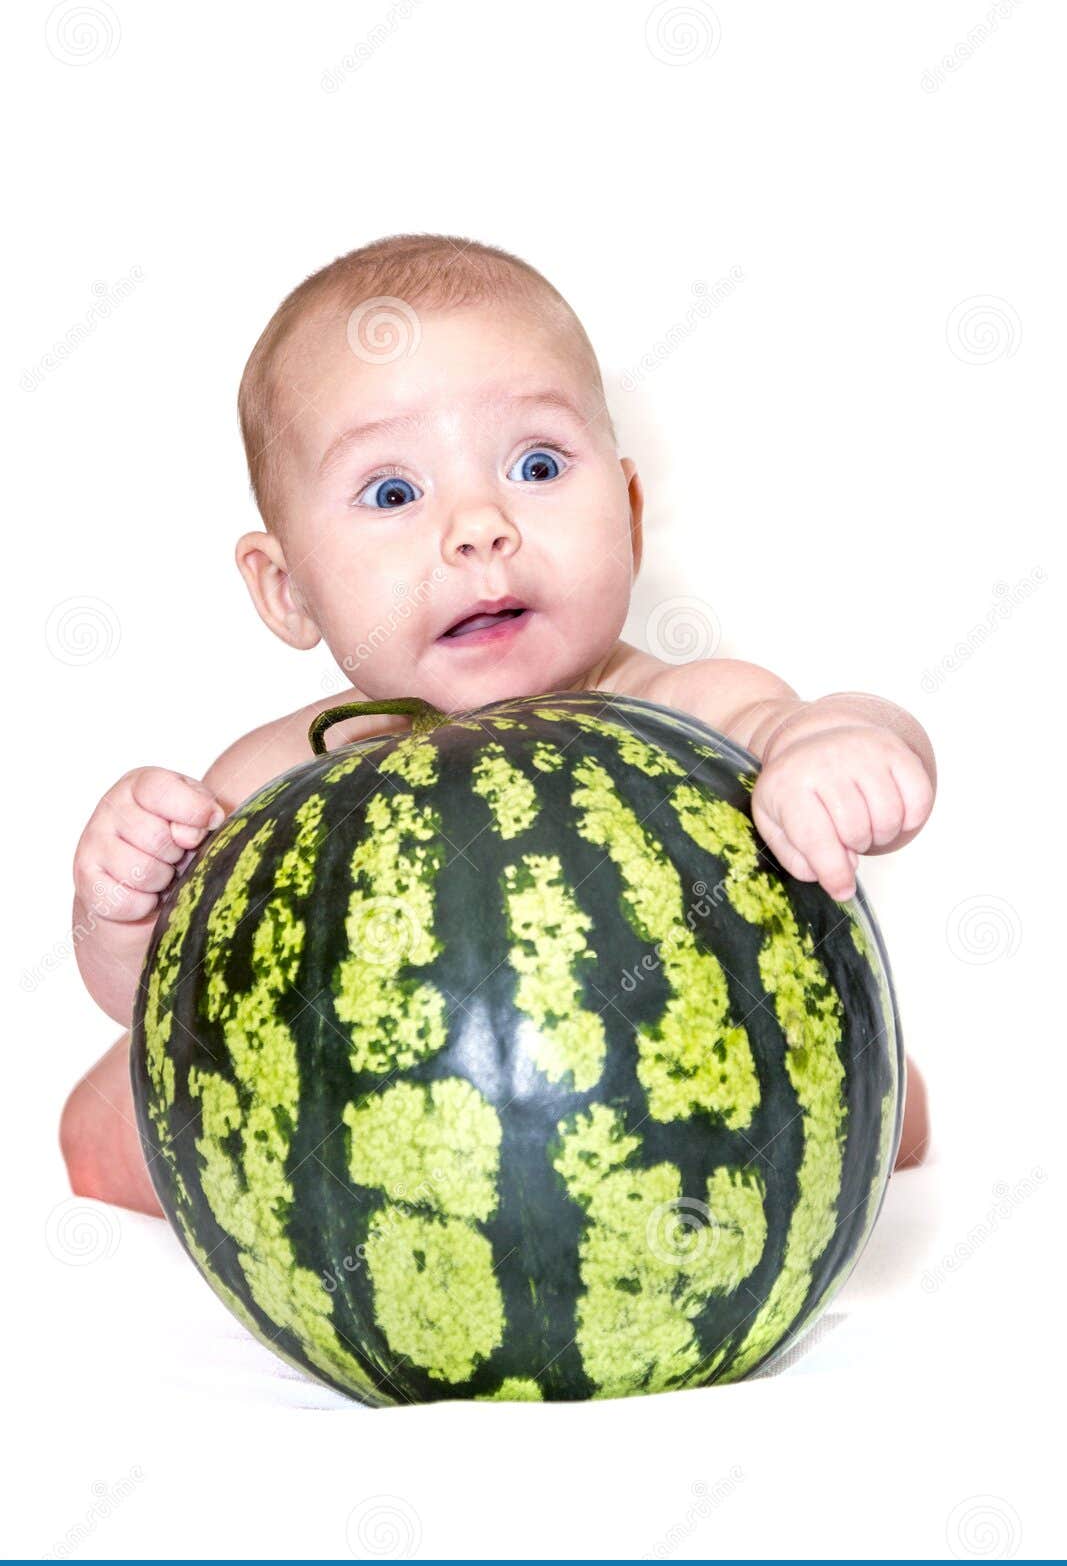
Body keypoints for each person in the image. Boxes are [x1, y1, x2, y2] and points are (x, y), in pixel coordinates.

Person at [61, 232, 932, 1218]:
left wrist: (830, 744)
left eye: (535, 463)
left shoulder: (676, 711)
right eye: (393, 492)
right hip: (387, 1108)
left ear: (631, 514)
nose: (478, 526)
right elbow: (158, 993)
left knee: (876, 1084)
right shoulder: (273, 777)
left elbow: (815, 724)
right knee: (105, 1112)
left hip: (657, 1065)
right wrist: (122, 909)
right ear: (287, 586)